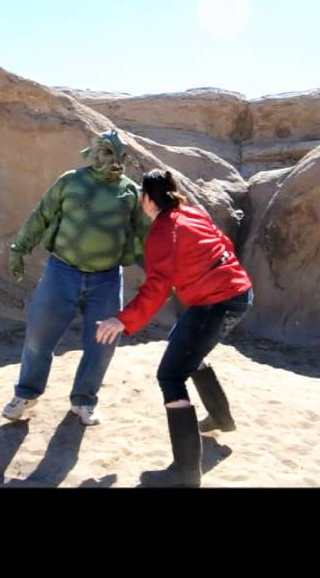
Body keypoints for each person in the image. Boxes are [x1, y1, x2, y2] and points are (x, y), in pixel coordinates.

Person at [95, 169, 252, 487]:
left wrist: (122, 319)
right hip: (238, 293)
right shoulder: (192, 213)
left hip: (216, 302)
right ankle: (221, 417)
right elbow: (223, 244)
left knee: (170, 374)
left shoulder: (163, 231)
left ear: (146, 198)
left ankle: (185, 472)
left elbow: (156, 287)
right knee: (184, 346)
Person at [2, 129, 148, 426]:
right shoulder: (70, 181)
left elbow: (145, 237)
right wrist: (20, 248)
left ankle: (84, 401)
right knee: (38, 338)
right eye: (107, 153)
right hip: (61, 272)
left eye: (120, 156)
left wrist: (162, 276)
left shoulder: (130, 192)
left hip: (106, 280)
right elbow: (42, 215)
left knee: (102, 345)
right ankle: (26, 393)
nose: (115, 161)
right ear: (93, 153)